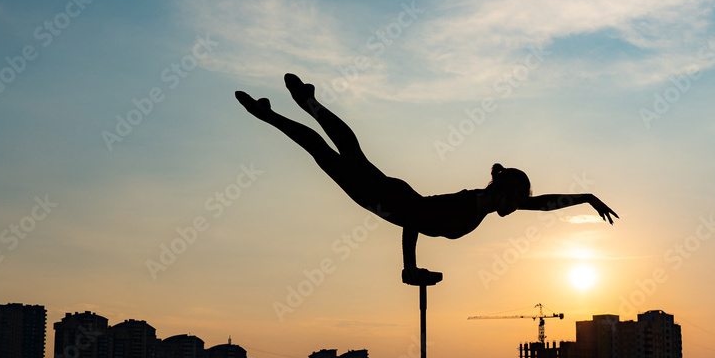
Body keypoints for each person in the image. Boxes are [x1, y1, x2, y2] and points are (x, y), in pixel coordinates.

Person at [235, 74, 619, 285]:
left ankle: (303, 103)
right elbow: (413, 220)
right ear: (503, 191)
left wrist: (585, 196)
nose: (518, 207)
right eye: (516, 198)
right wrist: (408, 267)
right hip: (385, 199)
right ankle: (278, 111)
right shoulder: (469, 208)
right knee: (326, 150)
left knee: (345, 148)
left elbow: (542, 203)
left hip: (392, 194)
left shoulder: (486, 205)